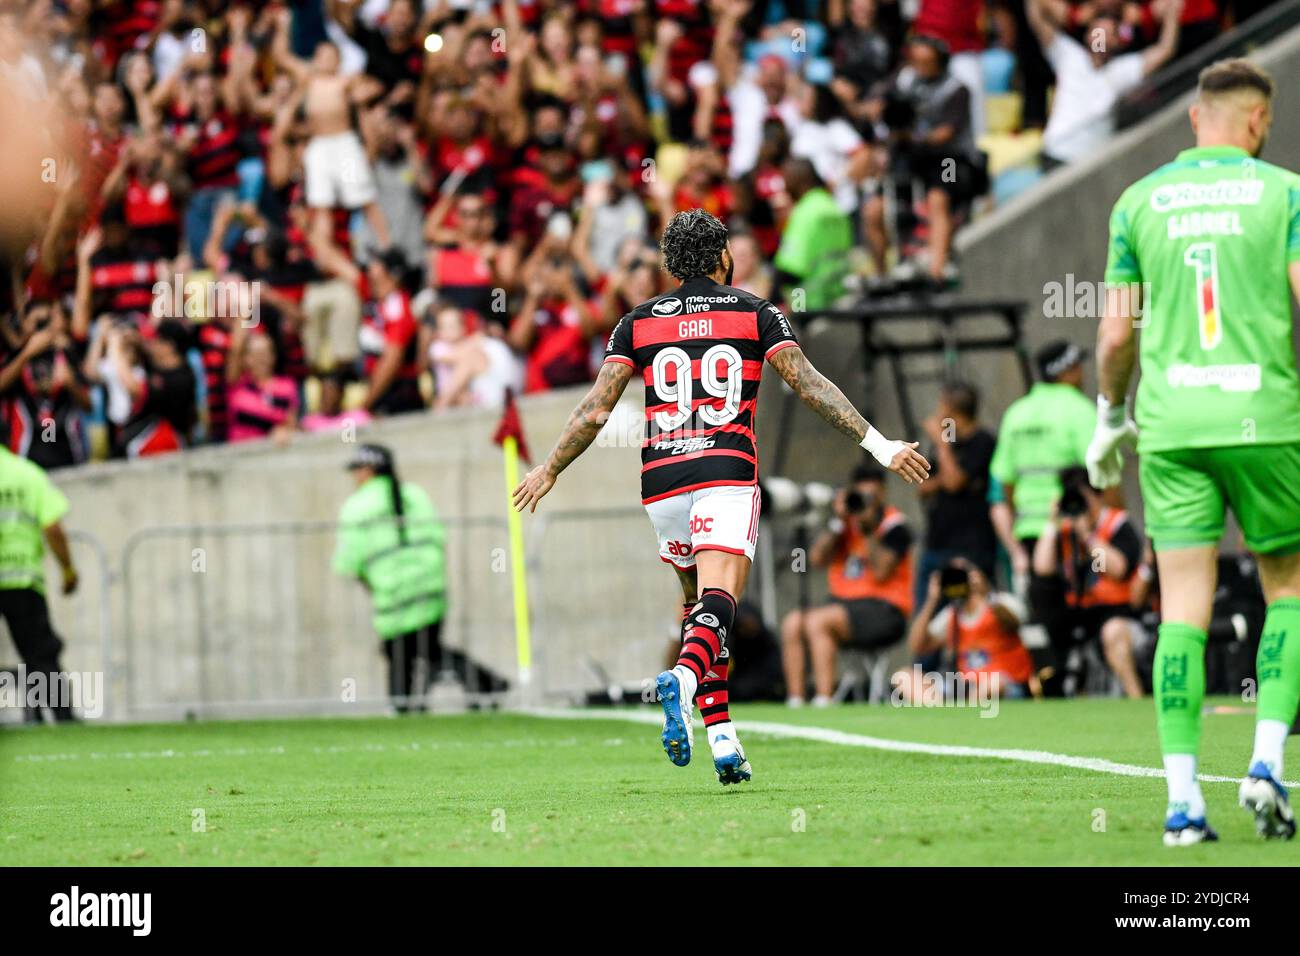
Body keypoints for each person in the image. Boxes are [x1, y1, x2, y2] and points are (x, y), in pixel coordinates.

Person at [512, 209, 930, 786]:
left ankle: (723, 739)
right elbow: (809, 384)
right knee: (722, 601)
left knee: (696, 608)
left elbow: (597, 408)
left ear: (668, 264)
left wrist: (549, 467)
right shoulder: (756, 311)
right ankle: (682, 680)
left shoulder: (635, 323)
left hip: (661, 480)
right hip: (724, 469)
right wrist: (880, 446)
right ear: (722, 258)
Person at [1087, 58, 1300, 845]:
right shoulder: (1285, 193)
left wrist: (1110, 415)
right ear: (1256, 121)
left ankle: (1183, 805)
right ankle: (1268, 764)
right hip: (1266, 419)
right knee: (1289, 590)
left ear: (1193, 120)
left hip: (1171, 428)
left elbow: (1114, 334)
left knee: (1182, 610)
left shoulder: (1138, 201)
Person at [333, 443, 507, 712]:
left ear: (369, 470)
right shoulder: (414, 494)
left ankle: (405, 708)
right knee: (427, 650)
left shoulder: (356, 505)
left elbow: (350, 561)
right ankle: (485, 683)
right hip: (430, 588)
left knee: (400, 655)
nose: (355, 476)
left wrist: (376, 586)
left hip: (393, 593)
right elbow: (438, 537)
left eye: (357, 469)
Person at [781, 464, 914, 707]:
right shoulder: (844, 525)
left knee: (818, 621)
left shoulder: (895, 526)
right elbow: (816, 559)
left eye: (869, 497)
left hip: (884, 611)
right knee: (792, 623)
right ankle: (796, 700)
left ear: (882, 494)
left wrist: (868, 528)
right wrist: (838, 523)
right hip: (843, 606)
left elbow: (882, 572)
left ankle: (824, 698)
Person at [1027, 0, 1183, 169]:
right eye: (1098, 32)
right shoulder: (1070, 56)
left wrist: (1172, 14)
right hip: (1056, 153)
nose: (1101, 38)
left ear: (1118, 41)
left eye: (1108, 34)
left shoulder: (1123, 70)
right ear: (1088, 35)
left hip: (1090, 163)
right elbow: (1037, 19)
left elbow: (1165, 50)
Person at [1031, 467, 1144, 698]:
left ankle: (1136, 698)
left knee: (1113, 631)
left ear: (1098, 495)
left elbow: (1116, 569)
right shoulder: (1064, 529)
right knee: (1041, 595)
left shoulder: (1116, 523)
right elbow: (1042, 569)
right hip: (1079, 613)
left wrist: (1088, 536)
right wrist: (1052, 522)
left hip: (1118, 614)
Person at [989, 339, 1096, 572]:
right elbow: (1104, 474)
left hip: (1029, 534)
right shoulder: (1080, 410)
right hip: (1074, 531)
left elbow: (1004, 482)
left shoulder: (1016, 413)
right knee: (1084, 604)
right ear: (1068, 371)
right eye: (1077, 367)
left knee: (1043, 604)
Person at [0, 430, 80, 723]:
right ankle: (63, 718)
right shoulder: (27, 474)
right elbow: (53, 528)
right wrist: (68, 570)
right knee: (41, 655)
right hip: (22, 578)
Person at [896, 558, 1037, 702]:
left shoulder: (1001, 601)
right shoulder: (952, 614)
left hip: (1005, 685)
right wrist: (932, 600)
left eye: (963, 573)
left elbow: (1014, 622)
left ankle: (962, 713)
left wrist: (985, 593)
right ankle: (942, 714)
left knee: (992, 683)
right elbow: (918, 646)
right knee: (904, 677)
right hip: (964, 686)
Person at [915, 380, 998, 609]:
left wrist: (942, 444)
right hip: (936, 544)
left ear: (952, 411)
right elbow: (923, 487)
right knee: (928, 616)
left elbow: (953, 483)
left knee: (966, 614)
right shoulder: (950, 445)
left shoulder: (983, 441)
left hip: (970, 548)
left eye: (941, 406)